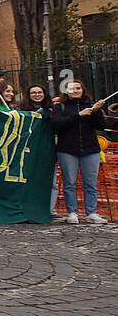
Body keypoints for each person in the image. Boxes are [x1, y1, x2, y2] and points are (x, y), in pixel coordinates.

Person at [50, 78, 108, 225]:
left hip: (90, 149)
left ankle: (91, 212)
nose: (75, 91)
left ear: (83, 90)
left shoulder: (90, 105)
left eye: (78, 88)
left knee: (91, 183)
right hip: (67, 149)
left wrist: (96, 111)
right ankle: (72, 212)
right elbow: (57, 125)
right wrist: (79, 115)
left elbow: (101, 126)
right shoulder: (60, 107)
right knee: (70, 182)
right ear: (66, 91)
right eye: (71, 89)